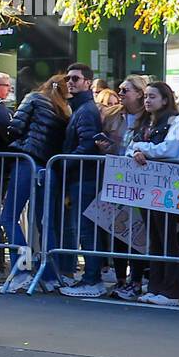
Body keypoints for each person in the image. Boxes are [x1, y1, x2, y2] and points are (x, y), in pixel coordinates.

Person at [0, 74, 72, 293]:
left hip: (27, 162)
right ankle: (49, 275)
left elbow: (16, 127)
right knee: (44, 223)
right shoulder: (65, 110)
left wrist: (13, 142)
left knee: (10, 217)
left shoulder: (33, 98)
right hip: (49, 167)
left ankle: (22, 269)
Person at [120, 81, 179, 306]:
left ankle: (171, 291)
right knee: (155, 238)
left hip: (168, 188)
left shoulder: (174, 120)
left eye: (152, 96)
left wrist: (144, 151)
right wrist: (135, 152)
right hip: (147, 190)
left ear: (165, 99)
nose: (148, 100)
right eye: (146, 96)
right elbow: (130, 146)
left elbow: (172, 148)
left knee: (168, 237)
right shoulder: (144, 121)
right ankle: (156, 286)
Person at [55, 64, 108, 298]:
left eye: (75, 78)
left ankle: (92, 279)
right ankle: (90, 278)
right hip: (80, 177)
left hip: (85, 178)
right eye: (68, 78)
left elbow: (87, 145)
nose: (70, 81)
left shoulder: (86, 110)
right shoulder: (80, 108)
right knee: (84, 230)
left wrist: (62, 163)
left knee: (87, 231)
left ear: (88, 82)